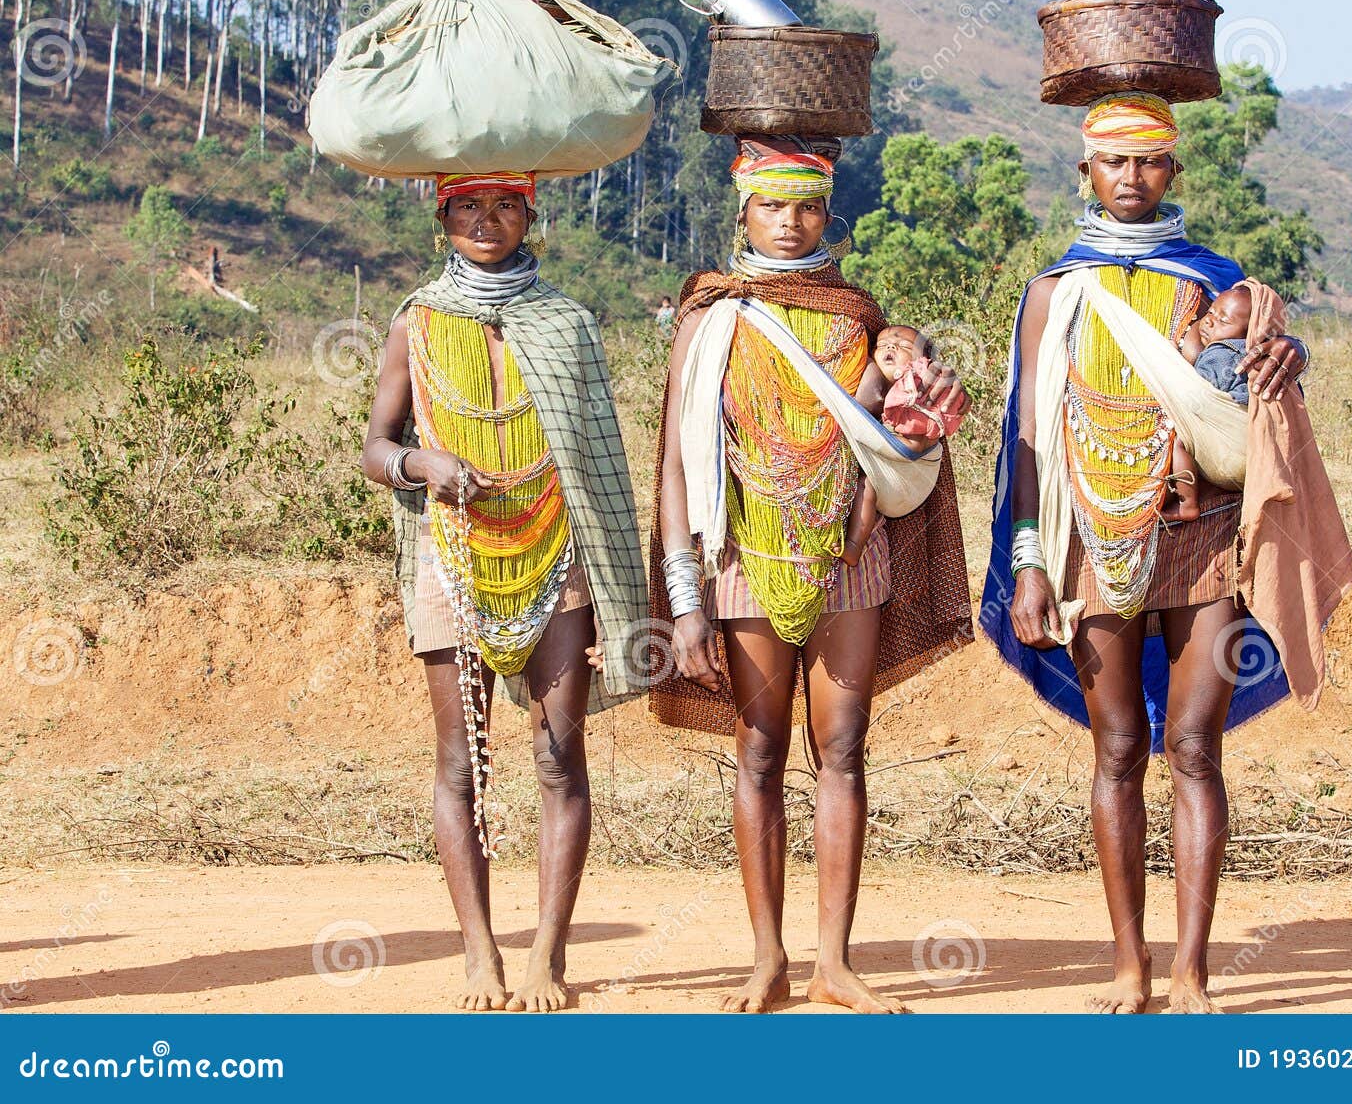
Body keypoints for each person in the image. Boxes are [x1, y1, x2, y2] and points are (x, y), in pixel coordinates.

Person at [982, 92, 1313, 1014]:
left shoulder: (1213, 280)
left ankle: (1193, 970)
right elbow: (1031, 435)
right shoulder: (1054, 292)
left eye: (1150, 162)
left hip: (1205, 536)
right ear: (1084, 171)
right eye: (1114, 163)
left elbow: (1265, 370)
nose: (1132, 179)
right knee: (1121, 743)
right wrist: (1029, 561)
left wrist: (1286, 352)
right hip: (1093, 538)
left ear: (1174, 171)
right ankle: (1129, 965)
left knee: (1197, 744)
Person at [651, 135, 973, 1014]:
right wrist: (685, 604)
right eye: (771, 207)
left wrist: (910, 357)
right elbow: (680, 466)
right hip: (741, 555)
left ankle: (834, 961)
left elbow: (895, 418)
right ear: (742, 212)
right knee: (758, 753)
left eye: (807, 208)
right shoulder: (709, 314)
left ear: (829, 215)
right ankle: (767, 958)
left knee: (842, 752)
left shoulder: (857, 317)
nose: (789, 225)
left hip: (849, 560)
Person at [361, 170, 647, 1013]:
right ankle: (479, 953)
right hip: (451, 553)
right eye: (470, 207)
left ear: (531, 215)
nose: (488, 222)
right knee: (461, 764)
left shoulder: (566, 324)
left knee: (558, 756)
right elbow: (376, 447)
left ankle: (547, 958)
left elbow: (599, 460)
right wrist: (424, 463)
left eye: (506, 206)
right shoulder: (417, 321)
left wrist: (609, 587)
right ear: (442, 215)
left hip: (556, 551)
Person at [843, 325, 966, 565]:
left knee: (867, 486)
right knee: (865, 489)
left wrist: (890, 442)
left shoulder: (919, 385)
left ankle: (854, 545)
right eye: (883, 345)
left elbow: (918, 441)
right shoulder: (871, 382)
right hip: (887, 466)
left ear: (923, 360)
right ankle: (853, 545)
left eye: (903, 346)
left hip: (913, 468)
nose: (891, 347)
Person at [1164, 283, 1255, 522]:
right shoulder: (1258, 356)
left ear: (1248, 333)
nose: (1209, 322)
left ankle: (1187, 504)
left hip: (1230, 450)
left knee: (1180, 442)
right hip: (1256, 455)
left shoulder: (1220, 353)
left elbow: (1198, 393)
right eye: (1211, 312)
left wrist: (1171, 362)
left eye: (1223, 321)